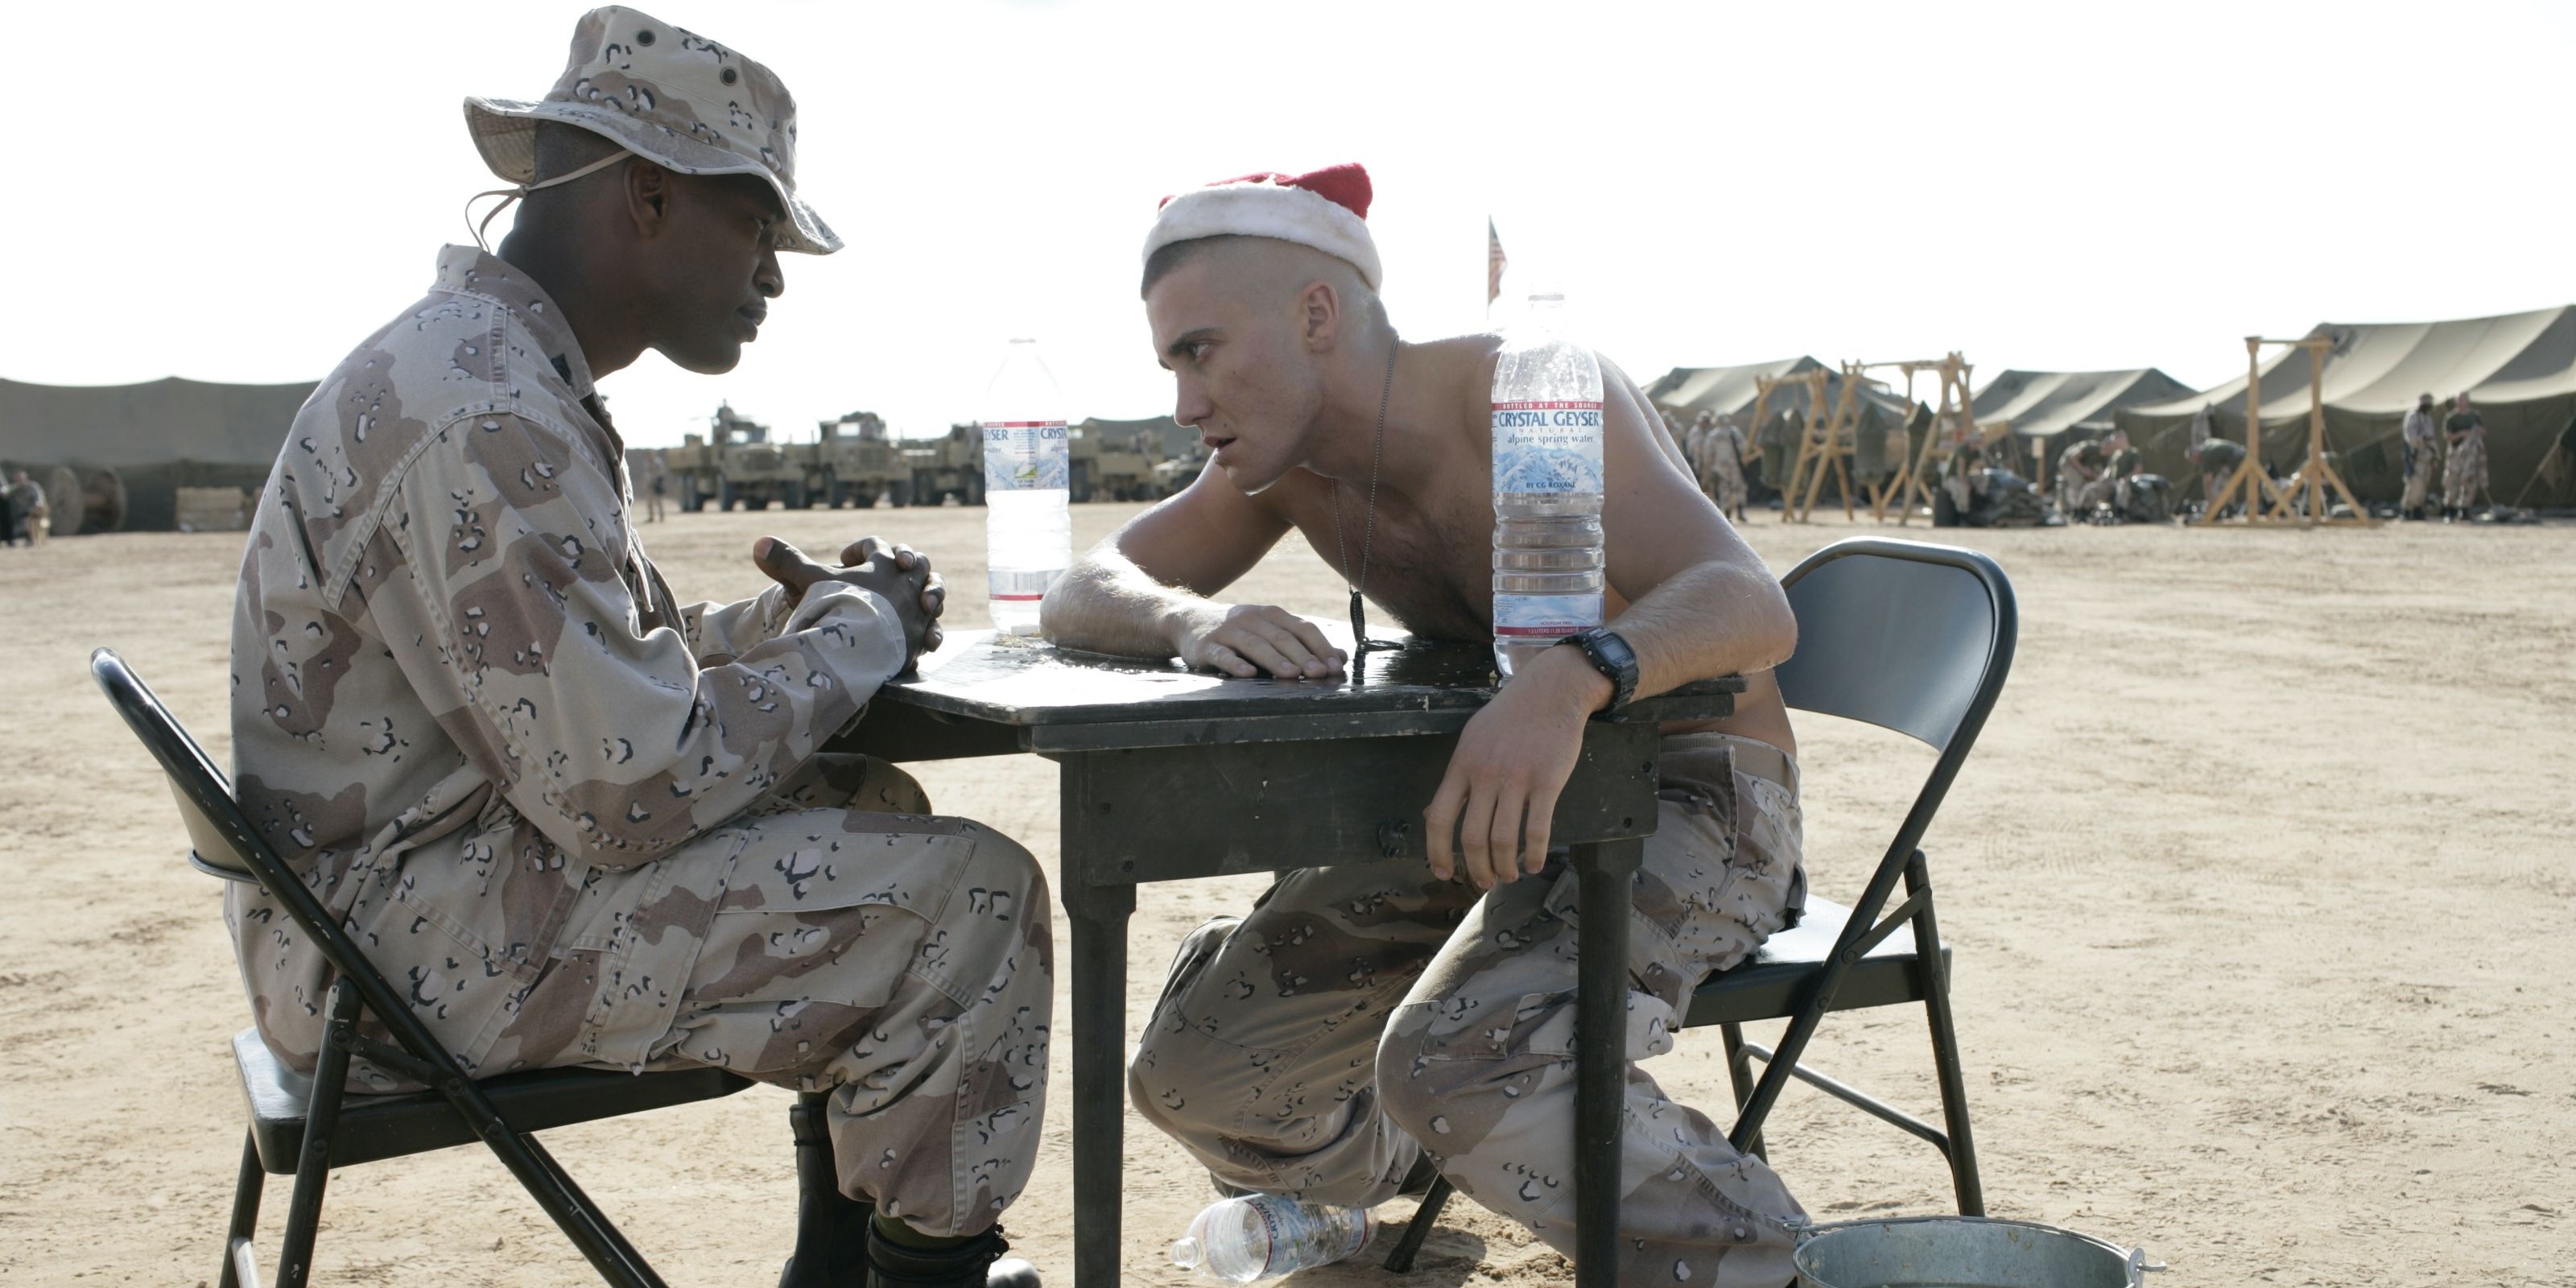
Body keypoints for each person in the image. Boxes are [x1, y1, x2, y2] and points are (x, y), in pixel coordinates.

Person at [224, 11, 1045, 1286]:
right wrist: (860, 632)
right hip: (395, 959)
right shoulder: (484, 409)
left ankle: (842, 1271)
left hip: (393, 904)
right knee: (972, 900)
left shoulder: (490, 369)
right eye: (757, 226)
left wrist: (795, 625)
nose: (773, 274)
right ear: (648, 194)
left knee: (867, 804)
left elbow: (580, 677)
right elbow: (627, 787)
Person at [1043, 164, 1809, 1286]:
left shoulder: (1529, 395)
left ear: (1315, 315)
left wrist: (1569, 679)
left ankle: (1794, 1271)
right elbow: (1081, 586)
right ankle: (1414, 1160)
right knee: (1195, 1079)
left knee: (1458, 1059)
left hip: (1685, 788)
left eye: (1199, 352)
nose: (1184, 404)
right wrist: (1186, 618)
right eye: (1172, 366)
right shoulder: (1285, 464)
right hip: (1489, 803)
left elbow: (1750, 602)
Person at [2442, 391, 2487, 520]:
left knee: (2469, 480)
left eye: (2464, 399)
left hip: (2470, 454)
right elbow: (2447, 436)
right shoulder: (2451, 418)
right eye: (2460, 399)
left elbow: (2483, 431)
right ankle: (2450, 509)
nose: (2462, 402)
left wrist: (2475, 431)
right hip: (2455, 453)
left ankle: (2465, 508)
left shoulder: (2475, 416)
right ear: (2456, 401)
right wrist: (2461, 434)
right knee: (2452, 481)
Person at [1701, 410, 1751, 521]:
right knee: (1738, 488)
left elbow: (1708, 454)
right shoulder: (1734, 432)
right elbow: (1745, 446)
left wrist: (1708, 467)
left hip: (1720, 467)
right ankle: (1740, 513)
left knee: (1724, 489)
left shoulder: (1713, 435)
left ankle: (1728, 516)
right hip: (1735, 466)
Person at [2400, 392, 2439, 521]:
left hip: (2427, 457)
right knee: (2415, 485)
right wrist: (2421, 441)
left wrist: (2436, 456)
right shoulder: (2413, 416)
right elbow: (2410, 437)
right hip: (2417, 457)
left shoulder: (2428, 418)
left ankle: (2418, 509)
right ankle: (2407, 509)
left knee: (2424, 486)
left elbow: (2432, 439)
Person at [7, 471, 47, 547]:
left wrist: (38, 504)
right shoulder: (15, 489)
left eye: (21, 479)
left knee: (29, 521)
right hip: (20, 513)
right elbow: (6, 491)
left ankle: (31, 539)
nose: (19, 481)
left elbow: (39, 498)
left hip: (33, 511)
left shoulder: (33, 487)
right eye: (17, 479)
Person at [642, 448, 669, 522]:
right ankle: (651, 517)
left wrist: (656, 481)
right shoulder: (646, 463)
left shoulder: (658, 462)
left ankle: (662, 516)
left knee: (659, 502)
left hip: (657, 484)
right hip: (649, 485)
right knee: (649, 502)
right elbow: (646, 474)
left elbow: (661, 473)